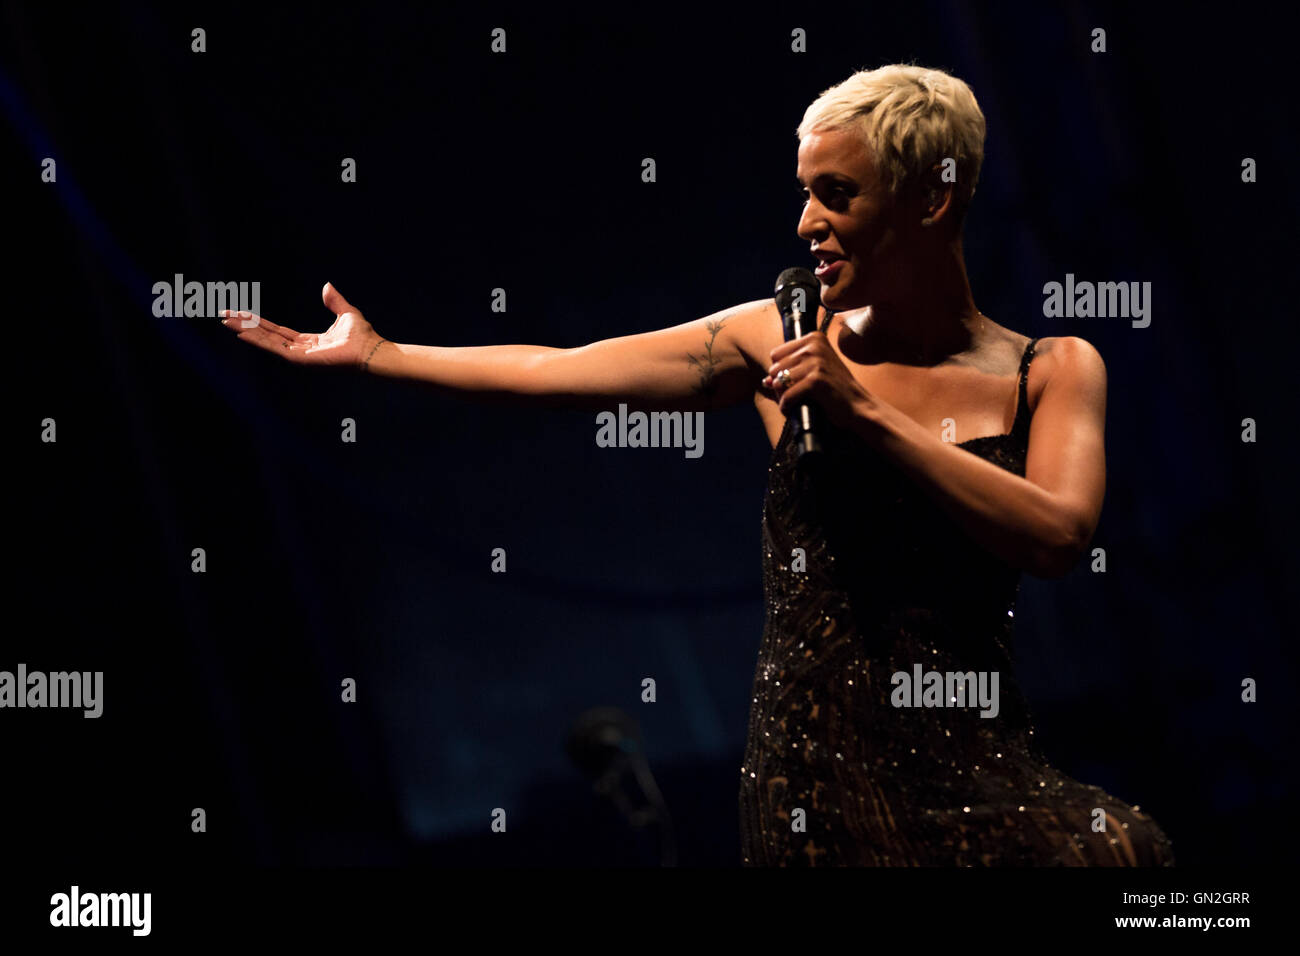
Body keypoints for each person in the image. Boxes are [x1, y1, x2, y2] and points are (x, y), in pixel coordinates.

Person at [220, 63, 1174, 867]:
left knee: (1129, 859)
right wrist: (383, 356)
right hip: (819, 775)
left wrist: (865, 413)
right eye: (803, 191)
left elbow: (1055, 534)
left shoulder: (1052, 368)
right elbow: (565, 369)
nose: (806, 222)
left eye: (837, 194)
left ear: (932, 196)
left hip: (980, 759)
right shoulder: (778, 337)